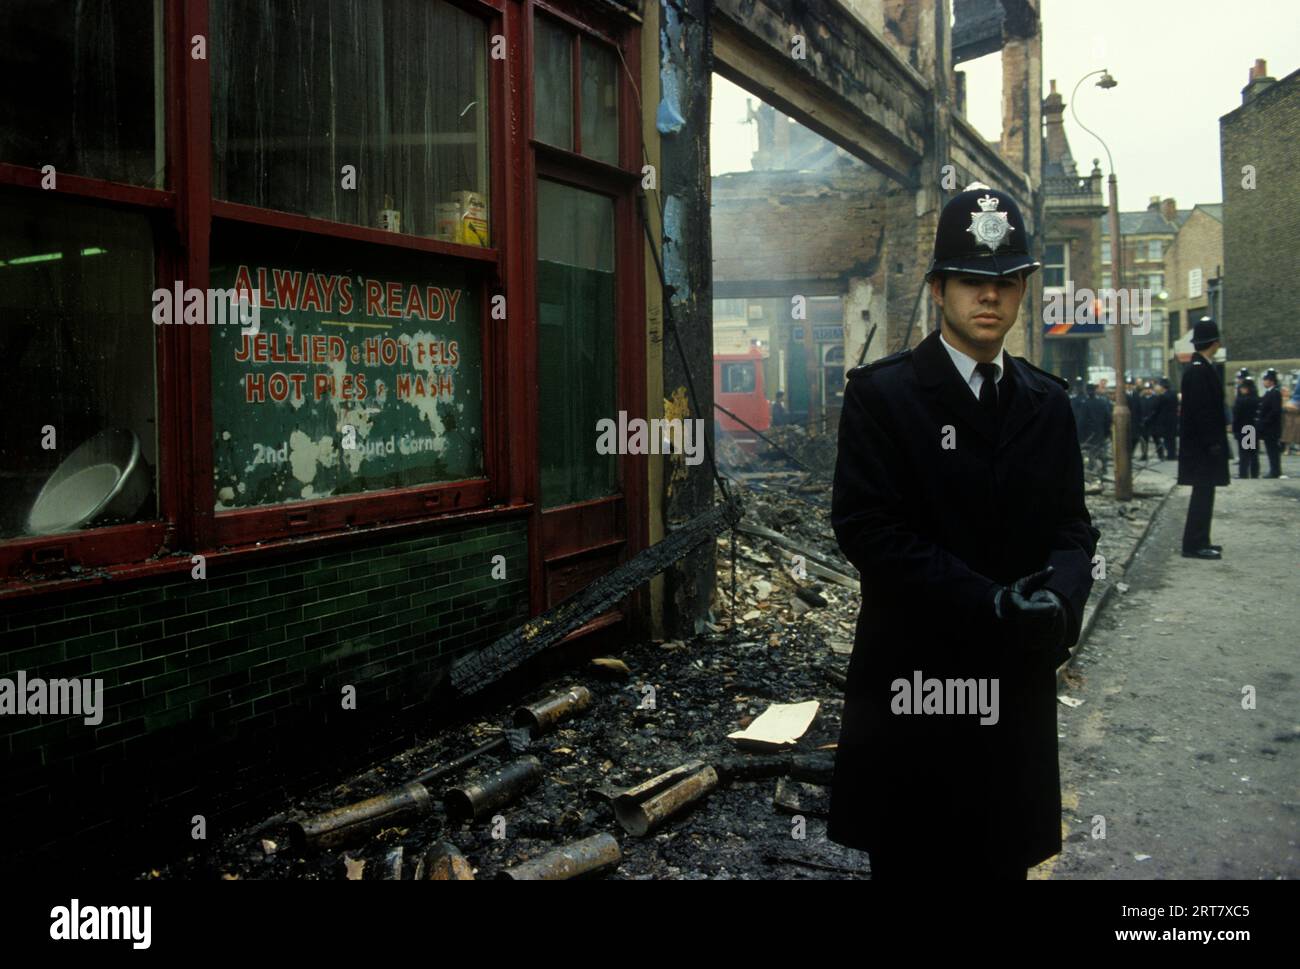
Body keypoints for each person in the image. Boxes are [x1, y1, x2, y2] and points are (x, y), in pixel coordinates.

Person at [829, 182, 1099, 881]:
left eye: (1007, 282)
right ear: (940, 287)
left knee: (1003, 862)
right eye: (974, 281)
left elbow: (1073, 527)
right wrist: (989, 602)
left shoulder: (1047, 404)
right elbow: (868, 530)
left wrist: (1061, 603)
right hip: (914, 698)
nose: (992, 297)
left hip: (1012, 703)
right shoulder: (882, 397)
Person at [1178, 318, 1230, 559]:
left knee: (1205, 493)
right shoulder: (1200, 371)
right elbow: (1203, 412)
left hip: (1201, 446)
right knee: (1202, 495)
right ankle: (1195, 544)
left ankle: (1201, 539)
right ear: (1215, 343)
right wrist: (1213, 443)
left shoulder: (1198, 367)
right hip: (1203, 448)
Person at [1232, 377, 1260, 479]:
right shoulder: (1257, 399)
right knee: (1253, 452)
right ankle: (1254, 473)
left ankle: (1243, 473)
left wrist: (1235, 430)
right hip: (1252, 427)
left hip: (1243, 428)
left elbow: (1237, 416)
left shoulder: (1241, 401)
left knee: (1243, 453)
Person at [1258, 368, 1284, 478]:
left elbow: (1275, 410)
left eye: (1266, 380)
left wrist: (1265, 421)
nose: (1264, 382)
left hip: (1272, 427)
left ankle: (1275, 471)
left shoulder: (1275, 393)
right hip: (1268, 427)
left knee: (1273, 450)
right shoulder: (1269, 393)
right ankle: (1274, 470)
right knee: (1270, 450)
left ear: (1271, 381)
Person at [1149, 377, 1178, 460]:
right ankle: (1172, 454)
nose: (1156, 387)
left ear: (1162, 387)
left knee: (1165, 438)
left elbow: (1156, 409)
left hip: (1163, 422)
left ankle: (1167, 454)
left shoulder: (1162, 397)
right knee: (1171, 438)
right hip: (1173, 420)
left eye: (1158, 385)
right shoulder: (1173, 394)